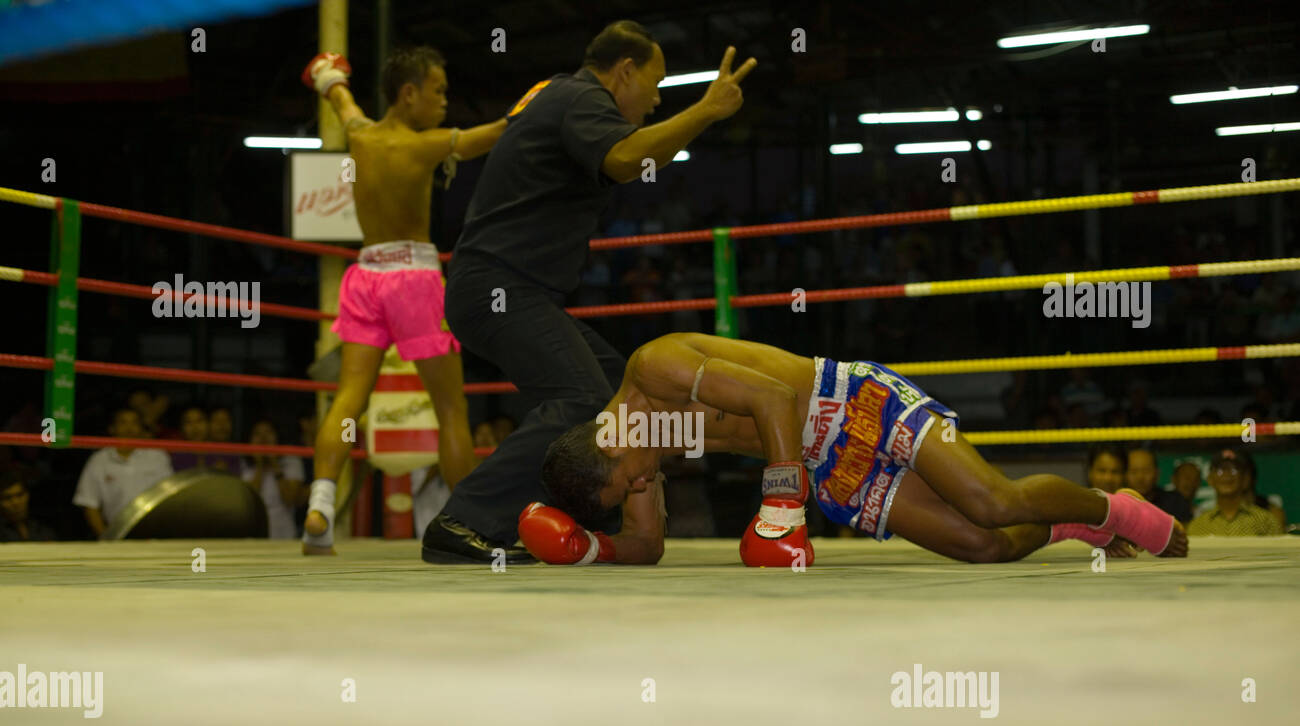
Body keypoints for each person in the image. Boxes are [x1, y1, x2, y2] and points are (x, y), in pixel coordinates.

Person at [421, 21, 757, 564]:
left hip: (510, 288)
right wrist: (704, 110)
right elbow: (628, 160)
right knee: (579, 399)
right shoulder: (579, 97)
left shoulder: (562, 97)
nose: (655, 99)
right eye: (654, 83)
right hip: (496, 285)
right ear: (624, 71)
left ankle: (571, 518)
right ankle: (463, 519)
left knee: (614, 395)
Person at [520, 333, 1188, 566]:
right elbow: (650, 547)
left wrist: (782, 500)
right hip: (826, 465)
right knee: (986, 546)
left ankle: (1118, 512)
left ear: (613, 443)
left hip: (851, 401)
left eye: (630, 483)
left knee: (992, 501)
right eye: (630, 495)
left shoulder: (656, 366)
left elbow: (774, 400)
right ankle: (1069, 525)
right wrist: (592, 547)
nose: (643, 489)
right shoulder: (636, 455)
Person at [300, 45, 508, 554]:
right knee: (451, 408)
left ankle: (320, 505)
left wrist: (329, 77)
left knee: (349, 398)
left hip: (366, 275)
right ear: (409, 92)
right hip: (413, 279)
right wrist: (538, 107)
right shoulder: (423, 146)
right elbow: (492, 136)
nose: (444, 102)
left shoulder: (361, 135)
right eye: (437, 92)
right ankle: (467, 526)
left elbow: (340, 99)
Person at [72, 407, 173, 538]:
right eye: (123, 423)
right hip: (116, 533)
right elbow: (89, 504)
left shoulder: (157, 457)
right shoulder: (99, 460)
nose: (129, 428)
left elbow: (169, 499)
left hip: (155, 533)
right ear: (112, 428)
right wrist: (107, 538)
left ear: (141, 428)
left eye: (134, 423)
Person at [1187, 448, 1283, 536]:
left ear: (1245, 479)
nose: (1227, 475)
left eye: (1234, 470)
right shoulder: (1198, 525)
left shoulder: (1265, 521)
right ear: (1210, 479)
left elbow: (1279, 553)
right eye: (1220, 470)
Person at [241, 420, 305, 540]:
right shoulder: (244, 465)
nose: (263, 438)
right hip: (254, 533)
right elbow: (247, 503)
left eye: (268, 432)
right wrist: (259, 467)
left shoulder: (291, 461)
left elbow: (290, 499)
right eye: (257, 434)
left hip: (284, 532)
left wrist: (275, 465)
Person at [1123, 447, 1191, 523]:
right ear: (1124, 474)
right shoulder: (1118, 506)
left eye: (1146, 471)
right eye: (1134, 471)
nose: (1140, 477)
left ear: (1157, 473)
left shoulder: (1176, 503)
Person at [0, 469, 57, 542]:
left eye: (20, 495)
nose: (15, 503)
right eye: (7, 498)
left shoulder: (42, 529)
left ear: (27, 495)